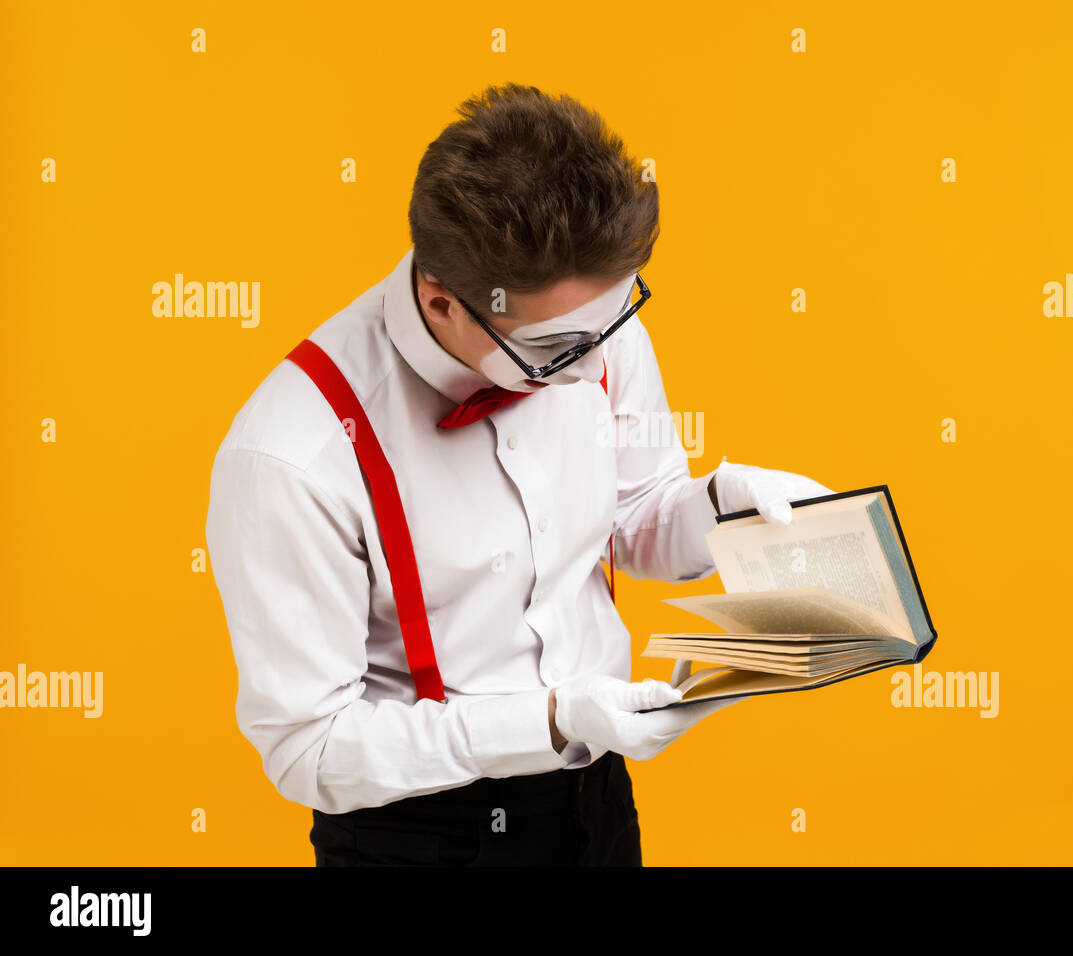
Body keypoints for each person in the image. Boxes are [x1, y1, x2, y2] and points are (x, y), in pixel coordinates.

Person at [204, 82, 832, 866]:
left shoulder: (585, 325)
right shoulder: (291, 454)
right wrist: (552, 719)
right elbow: (310, 750)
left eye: (612, 325)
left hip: (596, 807)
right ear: (442, 304)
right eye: (557, 350)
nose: (598, 366)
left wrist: (723, 505)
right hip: (419, 836)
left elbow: (633, 520)